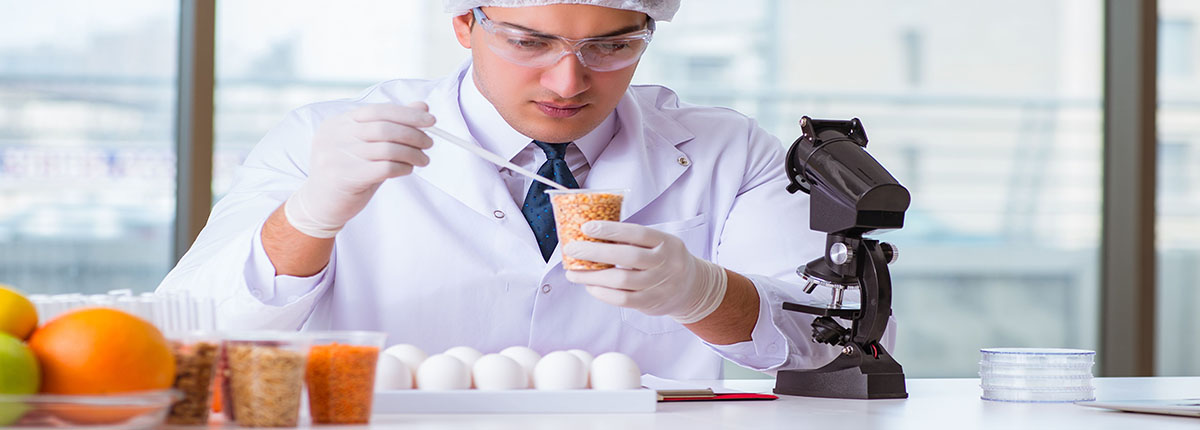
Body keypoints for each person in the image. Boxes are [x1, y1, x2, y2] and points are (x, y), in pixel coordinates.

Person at [157, 0, 895, 380]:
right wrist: (309, 218)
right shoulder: (329, 138)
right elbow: (191, 337)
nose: (569, 81)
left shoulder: (727, 152)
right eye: (529, 41)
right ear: (464, 25)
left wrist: (707, 295)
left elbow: (850, 346)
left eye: (612, 45)